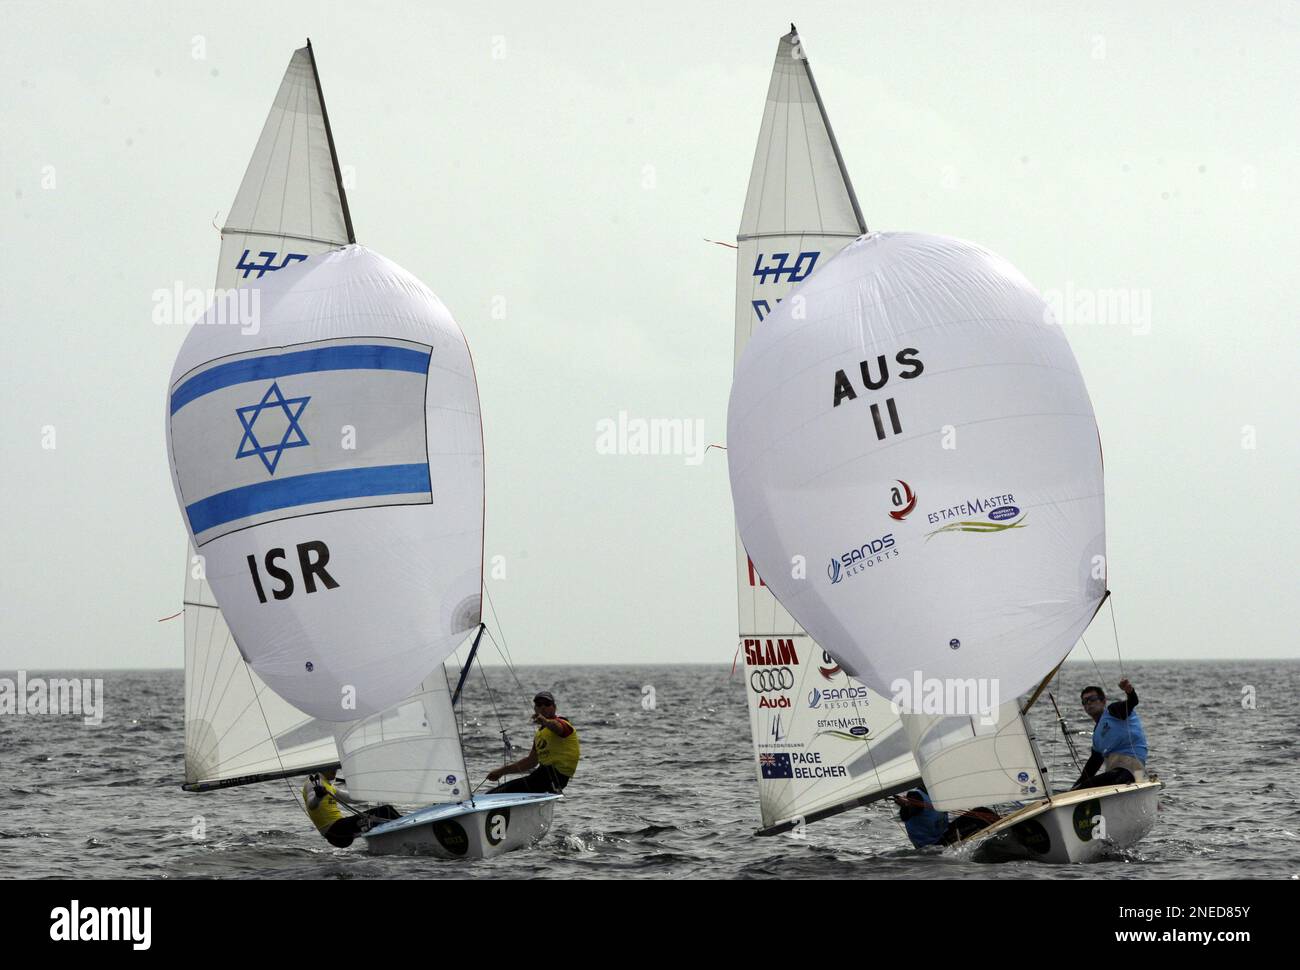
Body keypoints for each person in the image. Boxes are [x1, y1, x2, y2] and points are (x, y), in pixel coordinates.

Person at [486, 690, 580, 794]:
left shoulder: (563, 724)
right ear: (535, 709)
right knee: (495, 792)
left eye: (547, 704)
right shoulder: (540, 734)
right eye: (539, 705)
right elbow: (531, 762)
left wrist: (545, 721)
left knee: (501, 793)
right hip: (541, 775)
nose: (543, 707)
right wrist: (501, 771)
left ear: (554, 707)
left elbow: (557, 727)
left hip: (556, 777)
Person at [1071, 678, 1148, 790]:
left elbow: (1133, 702)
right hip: (1117, 774)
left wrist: (1129, 691)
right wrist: (1072, 790)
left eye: (1092, 699)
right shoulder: (1097, 736)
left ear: (1103, 701)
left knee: (1087, 786)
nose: (1088, 703)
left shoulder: (1114, 711)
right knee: (1082, 787)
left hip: (1132, 769)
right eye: (1085, 701)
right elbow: (1091, 768)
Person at [303, 767, 401, 848]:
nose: (335, 770)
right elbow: (311, 805)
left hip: (340, 830)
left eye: (336, 768)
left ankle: (393, 840)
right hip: (335, 831)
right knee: (386, 811)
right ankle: (407, 831)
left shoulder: (327, 785)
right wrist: (318, 796)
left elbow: (352, 798)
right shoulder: (313, 783)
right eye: (331, 767)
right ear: (321, 768)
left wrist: (375, 794)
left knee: (386, 811)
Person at [892, 786, 997, 849]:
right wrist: (906, 805)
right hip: (935, 845)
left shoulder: (938, 793)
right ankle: (1004, 837)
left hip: (945, 834)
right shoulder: (915, 796)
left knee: (982, 812)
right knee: (981, 816)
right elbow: (905, 816)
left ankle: (1004, 830)